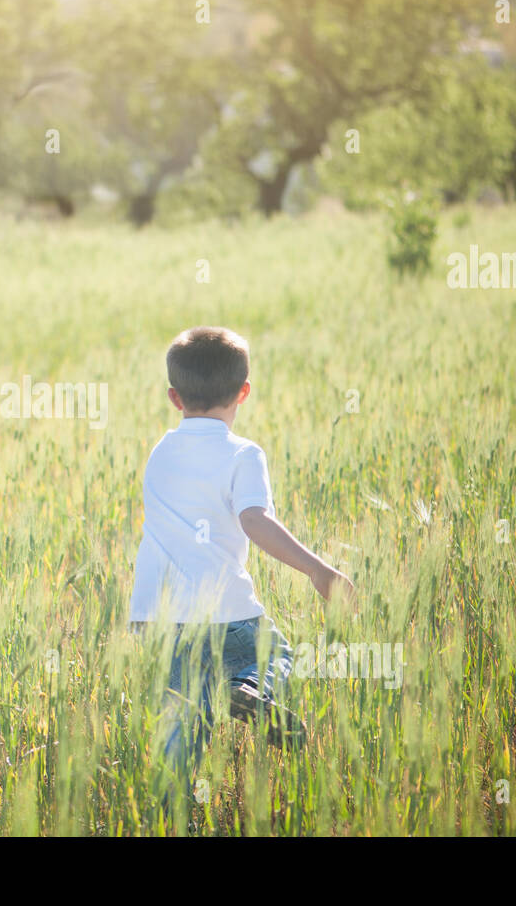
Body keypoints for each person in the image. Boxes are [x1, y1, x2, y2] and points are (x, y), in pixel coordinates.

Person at [128, 326, 355, 817]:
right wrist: (317, 570)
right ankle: (251, 688)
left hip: (155, 618)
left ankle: (169, 816)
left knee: (180, 721)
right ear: (244, 392)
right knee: (274, 652)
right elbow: (254, 520)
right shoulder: (243, 454)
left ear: (174, 396)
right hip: (224, 612)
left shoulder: (161, 452)